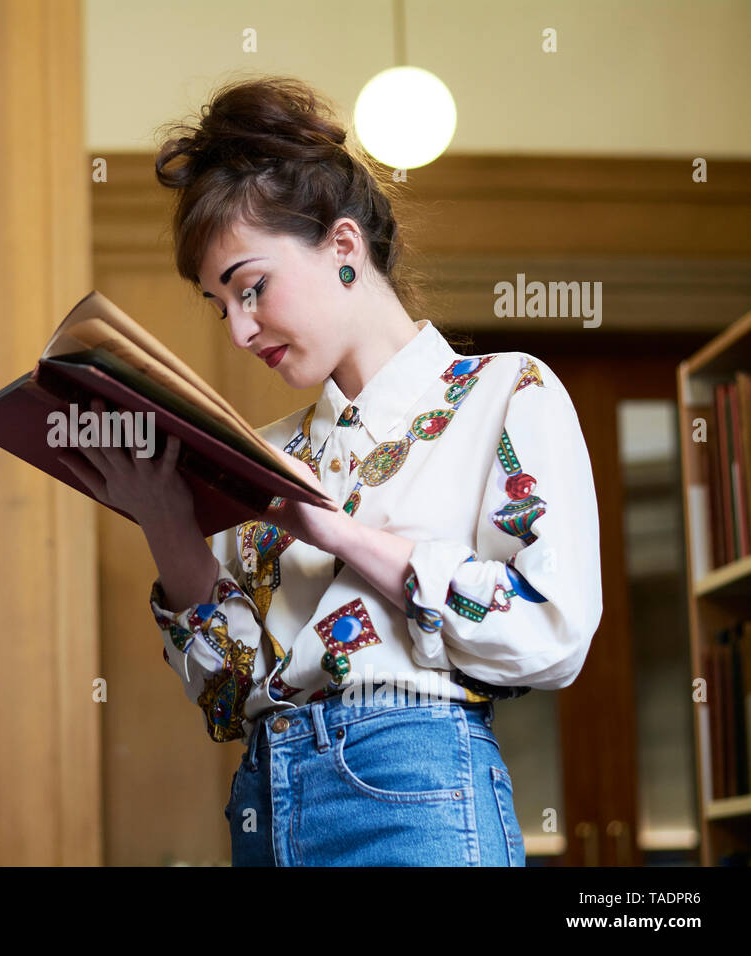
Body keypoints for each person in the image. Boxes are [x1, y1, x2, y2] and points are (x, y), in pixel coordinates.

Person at [60, 76, 603, 866]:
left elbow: (551, 635)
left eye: (252, 288)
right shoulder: (267, 451)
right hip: (264, 796)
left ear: (344, 247)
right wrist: (167, 526)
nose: (241, 330)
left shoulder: (505, 392)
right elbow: (229, 694)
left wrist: (328, 527)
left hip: (411, 786)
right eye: (221, 306)